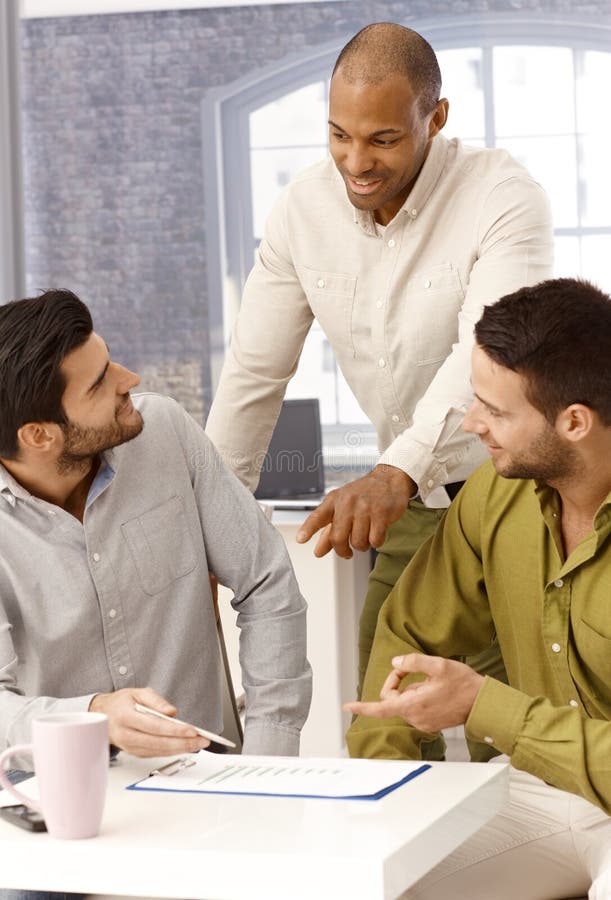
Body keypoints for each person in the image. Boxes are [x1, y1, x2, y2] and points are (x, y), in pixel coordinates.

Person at [205, 22, 554, 742]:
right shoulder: (302, 211)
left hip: (525, 495)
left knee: (519, 734)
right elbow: (253, 373)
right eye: (338, 135)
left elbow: (485, 356)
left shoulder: (501, 193)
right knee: (380, 724)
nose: (355, 162)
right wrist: (208, 527)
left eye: (383, 140)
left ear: (436, 118)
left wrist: (392, 471)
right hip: (419, 505)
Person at [345, 277, 611, 899]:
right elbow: (410, 631)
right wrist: (386, 801)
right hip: (540, 791)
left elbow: (484, 706)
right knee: (368, 881)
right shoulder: (497, 492)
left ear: (574, 422)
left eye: (495, 411)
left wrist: (485, 707)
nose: (471, 423)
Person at [0, 289, 312, 765]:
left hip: (204, 778)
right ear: (39, 435)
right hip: (52, 796)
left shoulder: (163, 430)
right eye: (99, 383)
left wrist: (270, 750)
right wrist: (94, 717)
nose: (130, 380)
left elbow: (266, 582)